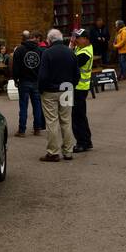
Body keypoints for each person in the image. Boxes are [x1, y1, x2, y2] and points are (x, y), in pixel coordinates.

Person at [36, 28, 78, 162]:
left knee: (52, 122)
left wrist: (41, 89)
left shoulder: (47, 53)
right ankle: (68, 151)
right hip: (67, 89)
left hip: (50, 91)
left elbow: (42, 76)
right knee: (66, 121)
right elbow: (77, 74)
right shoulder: (70, 52)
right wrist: (72, 86)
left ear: (49, 40)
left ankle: (53, 152)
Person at [11, 30, 44, 137]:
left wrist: (15, 79)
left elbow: (15, 67)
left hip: (23, 81)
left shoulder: (19, 50)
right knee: (37, 106)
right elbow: (42, 67)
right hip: (36, 81)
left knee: (23, 106)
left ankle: (22, 130)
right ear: (33, 38)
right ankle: (37, 129)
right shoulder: (40, 50)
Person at [72, 31, 94, 152]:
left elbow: (71, 63)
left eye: (78, 38)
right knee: (80, 116)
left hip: (79, 88)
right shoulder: (81, 48)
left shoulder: (85, 52)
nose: (75, 40)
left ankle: (82, 142)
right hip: (77, 87)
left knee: (77, 117)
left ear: (85, 39)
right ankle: (87, 140)